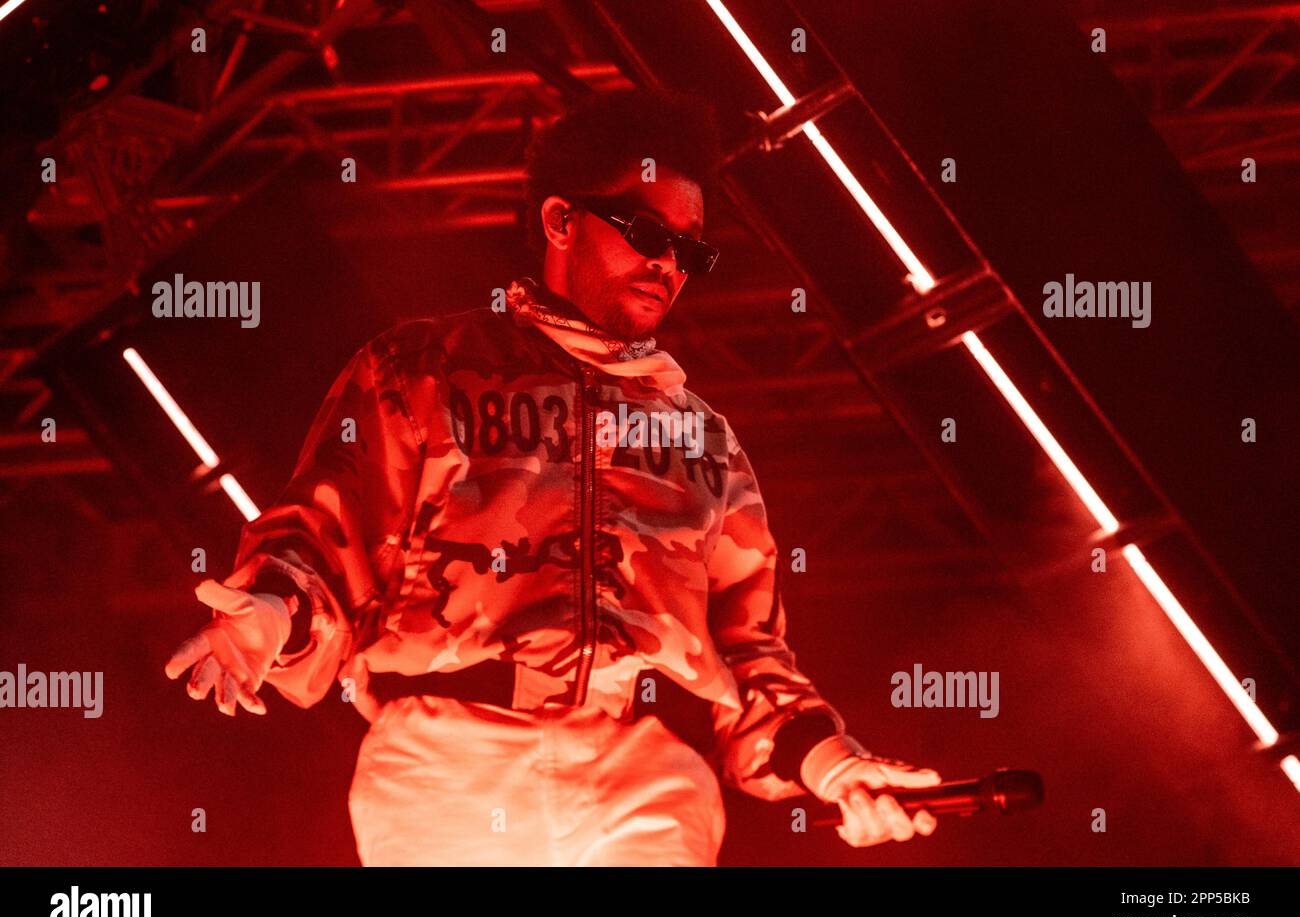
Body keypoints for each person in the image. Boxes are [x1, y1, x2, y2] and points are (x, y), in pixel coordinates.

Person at [164, 86, 941, 866]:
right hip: (448, 765)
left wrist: (837, 769)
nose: (666, 264)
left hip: (645, 772)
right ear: (559, 220)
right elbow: (329, 535)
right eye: (644, 231)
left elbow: (749, 654)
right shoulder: (422, 370)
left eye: (690, 249)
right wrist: (270, 610)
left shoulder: (705, 440)